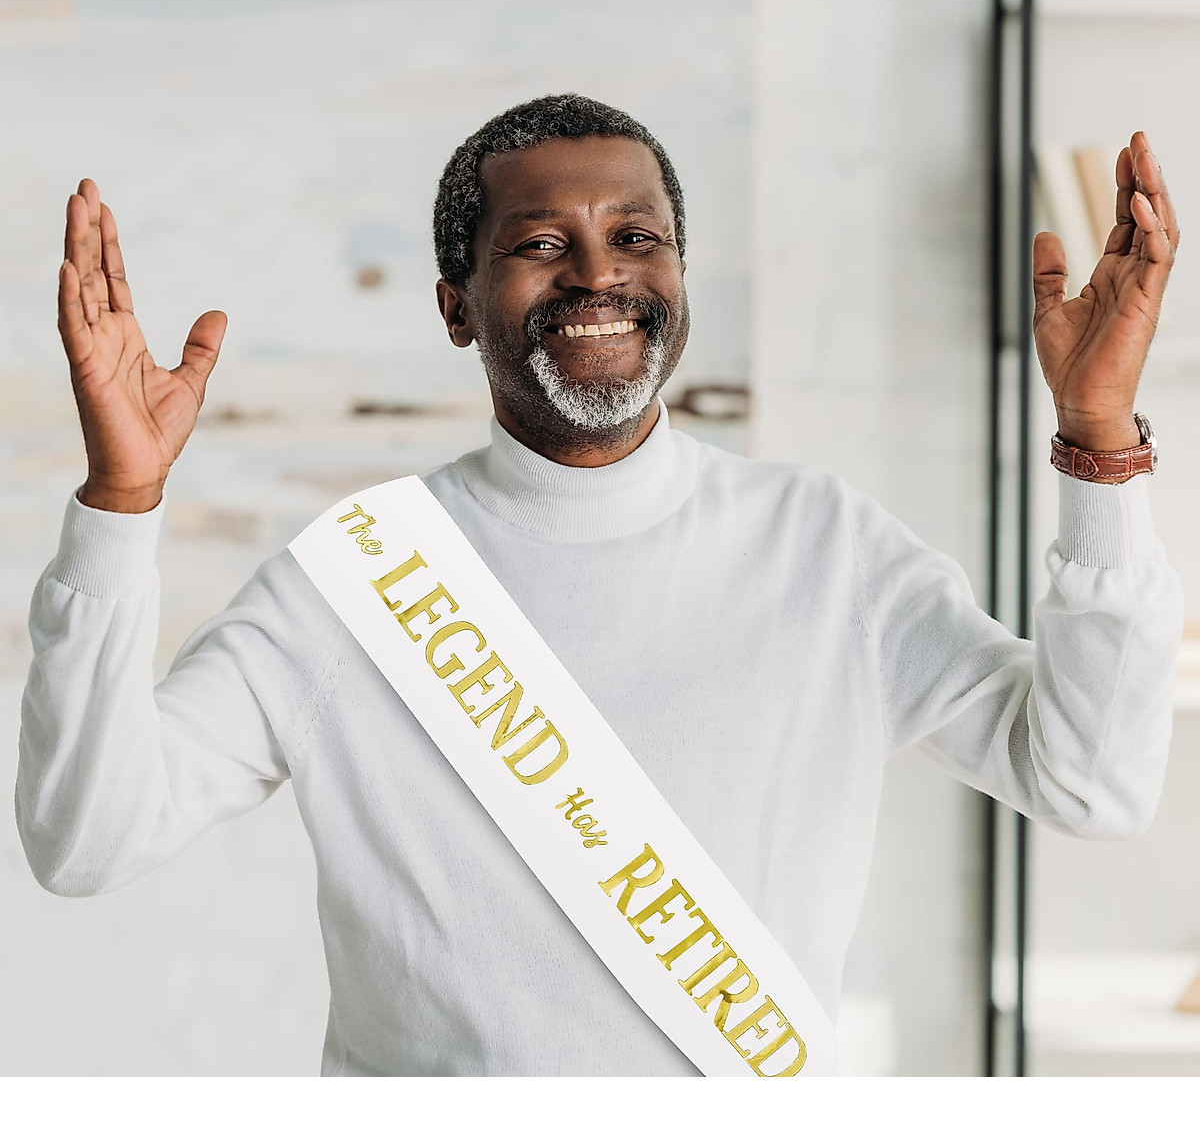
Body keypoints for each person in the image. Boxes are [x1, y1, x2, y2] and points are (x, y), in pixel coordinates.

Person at [16, 94, 1184, 1076]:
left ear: (679, 275)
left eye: (636, 237)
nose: (598, 275)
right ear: (455, 307)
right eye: (539, 244)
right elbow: (86, 839)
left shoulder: (828, 548)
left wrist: (1099, 436)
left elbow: (1092, 781)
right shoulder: (349, 585)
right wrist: (121, 501)